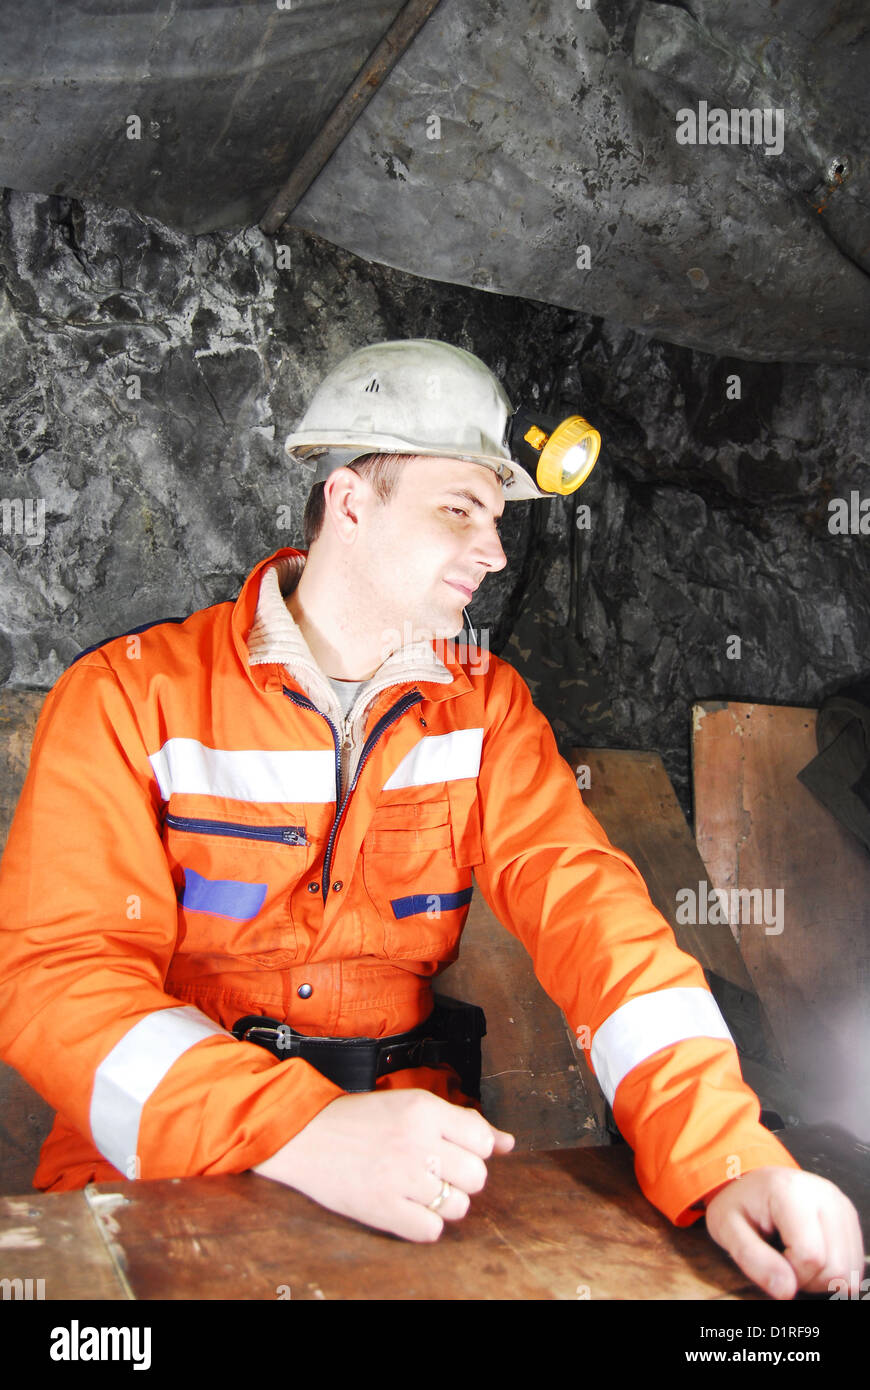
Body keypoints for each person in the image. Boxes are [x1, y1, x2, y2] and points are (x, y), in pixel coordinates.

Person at [0, 340, 862, 1301]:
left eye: (495, 519)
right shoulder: (129, 698)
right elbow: (59, 979)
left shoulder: (485, 709)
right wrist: (298, 1128)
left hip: (417, 1179)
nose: (493, 551)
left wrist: (730, 1159)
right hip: (159, 1173)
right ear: (350, 504)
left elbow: (603, 933)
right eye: (458, 509)